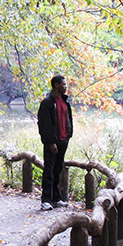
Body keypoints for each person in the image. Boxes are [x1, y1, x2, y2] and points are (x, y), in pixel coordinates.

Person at [36, 74, 73, 211]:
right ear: (56, 85)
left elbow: (68, 119)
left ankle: (56, 199)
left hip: (63, 140)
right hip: (52, 142)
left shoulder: (64, 101)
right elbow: (44, 124)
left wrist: (68, 136)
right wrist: (51, 142)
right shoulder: (47, 103)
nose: (65, 86)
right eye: (63, 84)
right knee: (49, 170)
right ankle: (46, 200)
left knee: (58, 169)